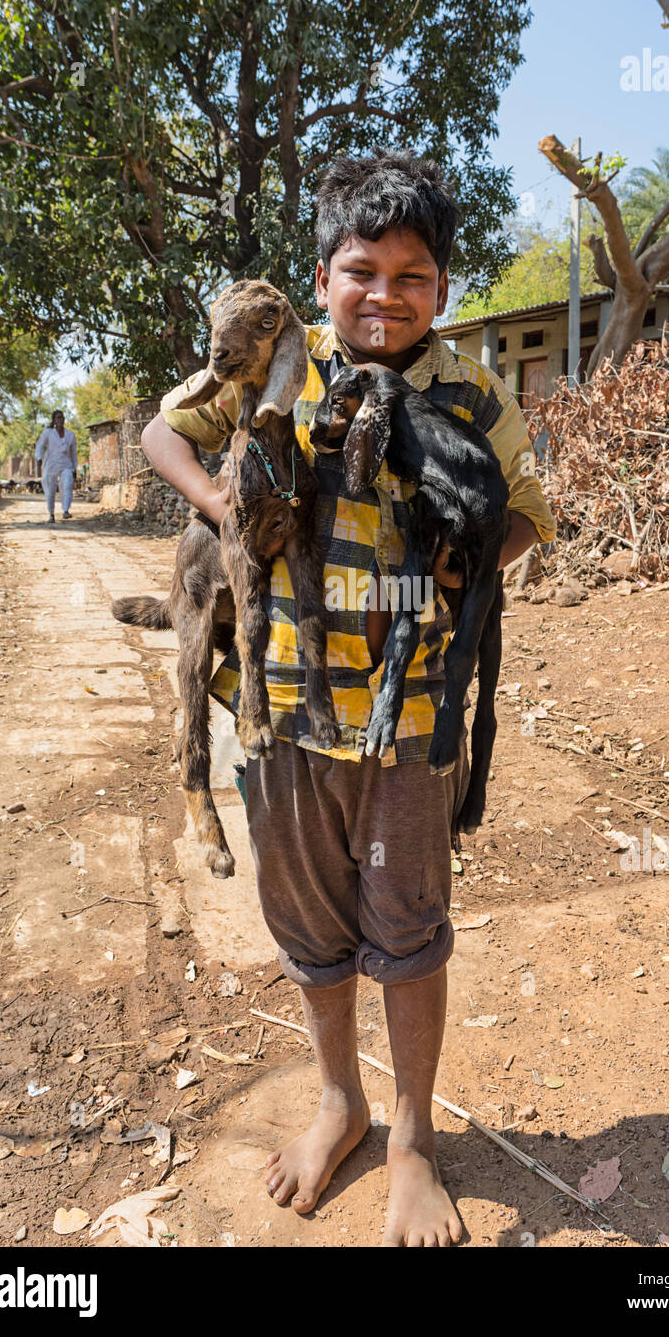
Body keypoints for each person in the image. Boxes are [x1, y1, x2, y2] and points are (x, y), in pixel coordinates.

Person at [140, 148, 556, 1246]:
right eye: (361, 270)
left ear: (444, 290)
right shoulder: (278, 366)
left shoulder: (471, 389)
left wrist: (473, 559)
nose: (384, 294)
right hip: (279, 710)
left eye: (412, 274)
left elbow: (526, 506)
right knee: (311, 926)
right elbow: (159, 432)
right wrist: (221, 507)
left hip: (413, 721)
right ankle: (341, 1101)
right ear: (319, 277)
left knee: (406, 930)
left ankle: (413, 1139)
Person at [34, 410, 78, 522]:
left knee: (67, 484)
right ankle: (51, 514)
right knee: (50, 490)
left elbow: (73, 453)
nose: (61, 420)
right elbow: (39, 446)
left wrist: (74, 468)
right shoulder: (48, 433)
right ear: (54, 420)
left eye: (62, 418)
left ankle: (66, 510)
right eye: (58, 418)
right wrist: (38, 458)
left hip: (66, 464)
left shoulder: (70, 435)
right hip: (51, 464)